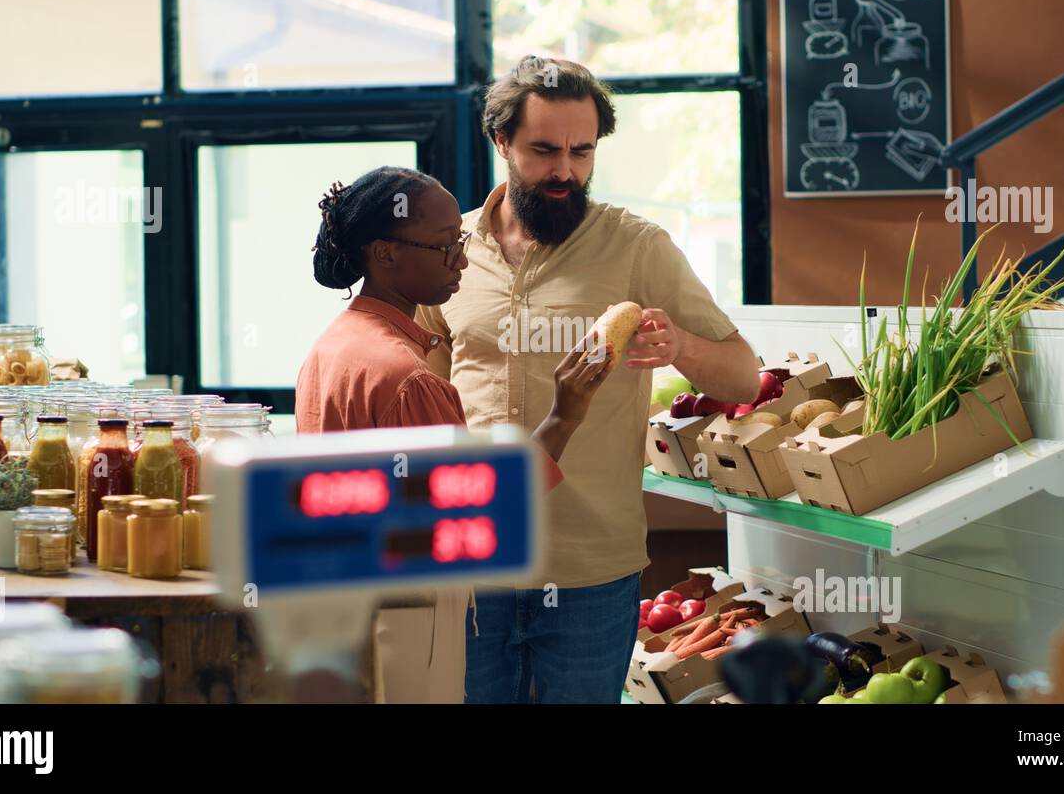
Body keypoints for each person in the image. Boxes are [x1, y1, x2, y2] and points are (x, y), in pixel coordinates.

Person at [416, 57, 761, 703]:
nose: (565, 171)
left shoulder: (638, 248)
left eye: (582, 151)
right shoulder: (448, 248)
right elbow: (427, 403)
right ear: (501, 143)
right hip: (470, 564)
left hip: (589, 577)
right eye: (544, 150)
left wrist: (680, 344)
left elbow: (744, 375)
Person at [295, 166, 614, 703]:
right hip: (408, 625)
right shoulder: (411, 379)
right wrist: (565, 414)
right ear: (385, 253)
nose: (461, 260)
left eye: (460, 241)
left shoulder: (333, 346)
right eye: (444, 247)